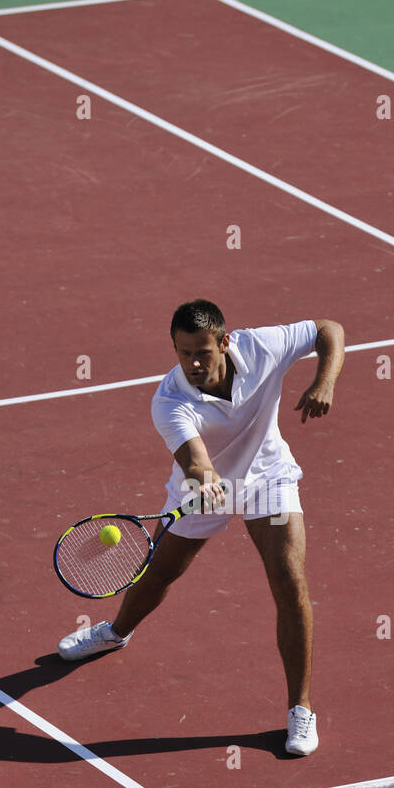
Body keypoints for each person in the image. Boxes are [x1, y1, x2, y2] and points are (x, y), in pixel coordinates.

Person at [58, 299, 345, 755]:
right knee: (158, 577)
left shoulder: (262, 347)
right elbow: (195, 460)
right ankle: (115, 632)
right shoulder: (169, 400)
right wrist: (207, 481)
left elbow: (329, 328)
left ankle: (301, 710)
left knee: (290, 580)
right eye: (182, 352)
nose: (192, 363)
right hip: (201, 493)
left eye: (202, 352)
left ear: (225, 343)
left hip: (268, 478)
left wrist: (323, 381)